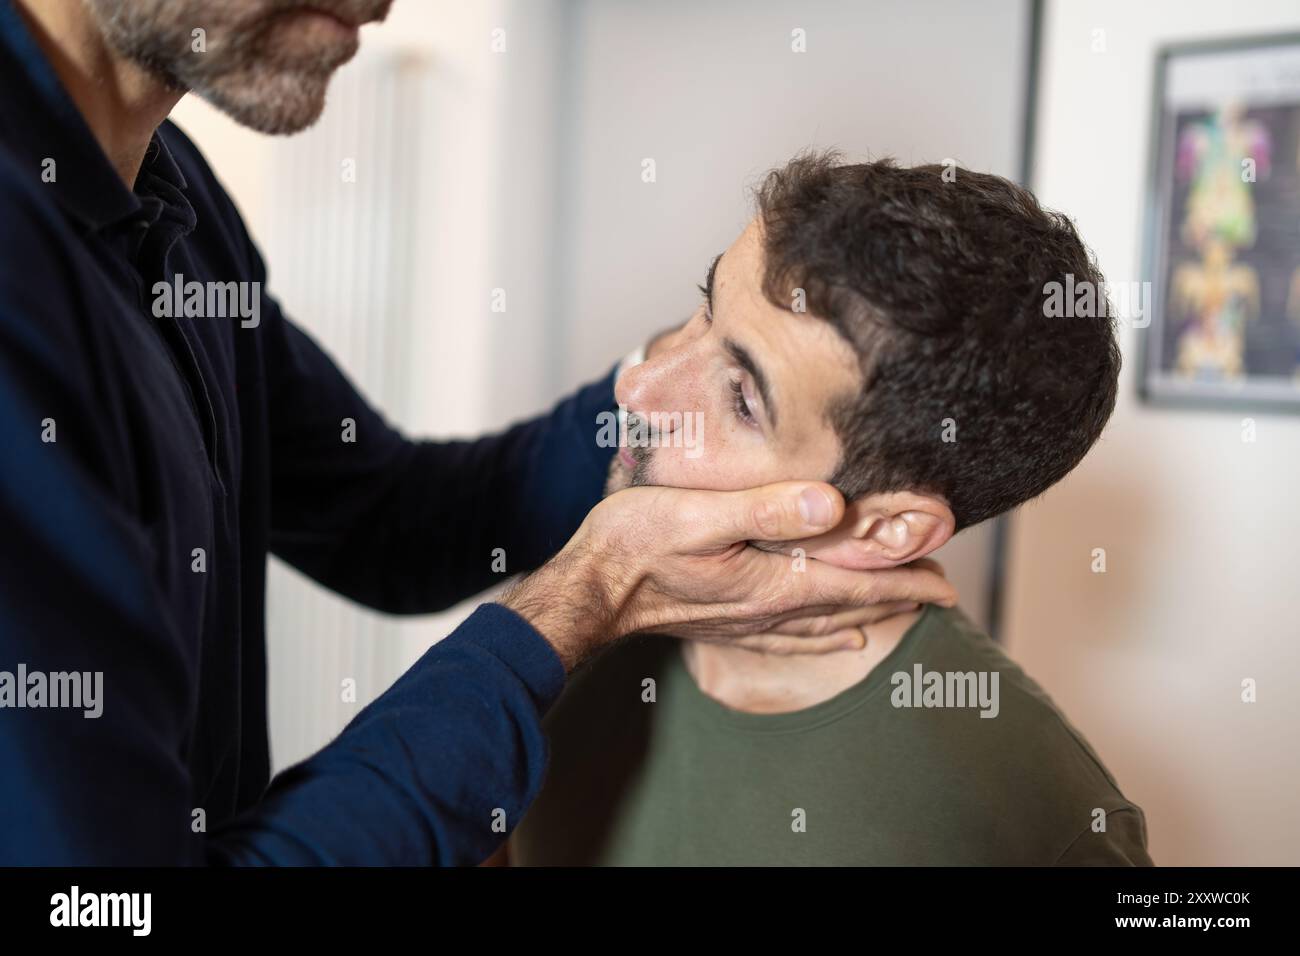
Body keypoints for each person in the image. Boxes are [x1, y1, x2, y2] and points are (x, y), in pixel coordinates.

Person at [0, 0, 955, 865]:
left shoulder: (164, 189)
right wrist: (594, 589)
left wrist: (681, 387)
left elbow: (389, 518)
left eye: (740, 381)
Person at [505, 153, 1154, 866]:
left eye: (742, 399)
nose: (639, 386)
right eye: (706, 307)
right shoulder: (572, 631)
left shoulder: (1036, 818)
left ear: (887, 527)